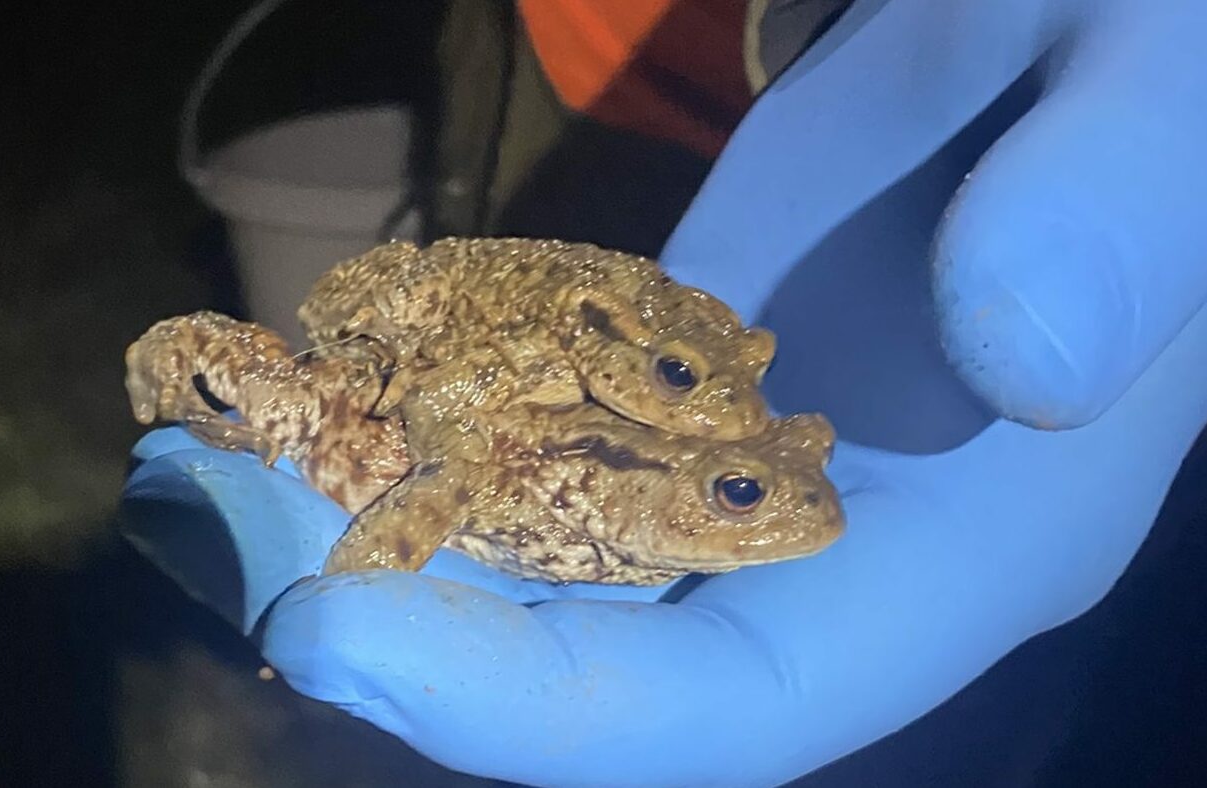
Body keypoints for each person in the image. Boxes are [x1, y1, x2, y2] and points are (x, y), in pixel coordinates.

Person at [121, 1, 1207, 785]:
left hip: (800, 161)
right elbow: (456, 450)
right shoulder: (555, 421)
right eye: (744, 489)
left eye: (773, 469)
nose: (795, 499)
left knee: (927, 722)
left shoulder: (660, 438)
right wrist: (369, 563)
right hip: (569, 83)